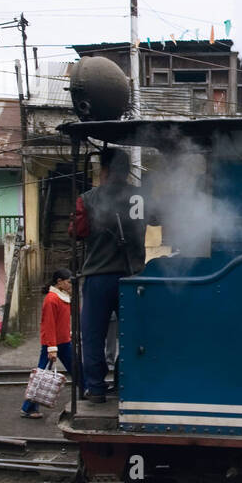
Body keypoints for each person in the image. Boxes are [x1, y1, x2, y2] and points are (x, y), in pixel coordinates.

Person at [71, 149, 145, 403]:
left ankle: (96, 388)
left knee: (93, 335)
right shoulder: (139, 197)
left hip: (99, 276)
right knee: (132, 333)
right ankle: (126, 382)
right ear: (126, 171)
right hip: (133, 276)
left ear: (103, 170)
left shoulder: (88, 198)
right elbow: (157, 219)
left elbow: (78, 231)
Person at [20, 268, 75, 419]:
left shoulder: (60, 297)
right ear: (59, 282)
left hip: (61, 342)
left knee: (43, 375)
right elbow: (48, 325)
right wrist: (51, 347)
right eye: (68, 282)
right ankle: (28, 408)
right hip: (54, 344)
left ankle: (29, 407)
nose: (70, 285)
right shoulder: (52, 299)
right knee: (42, 376)